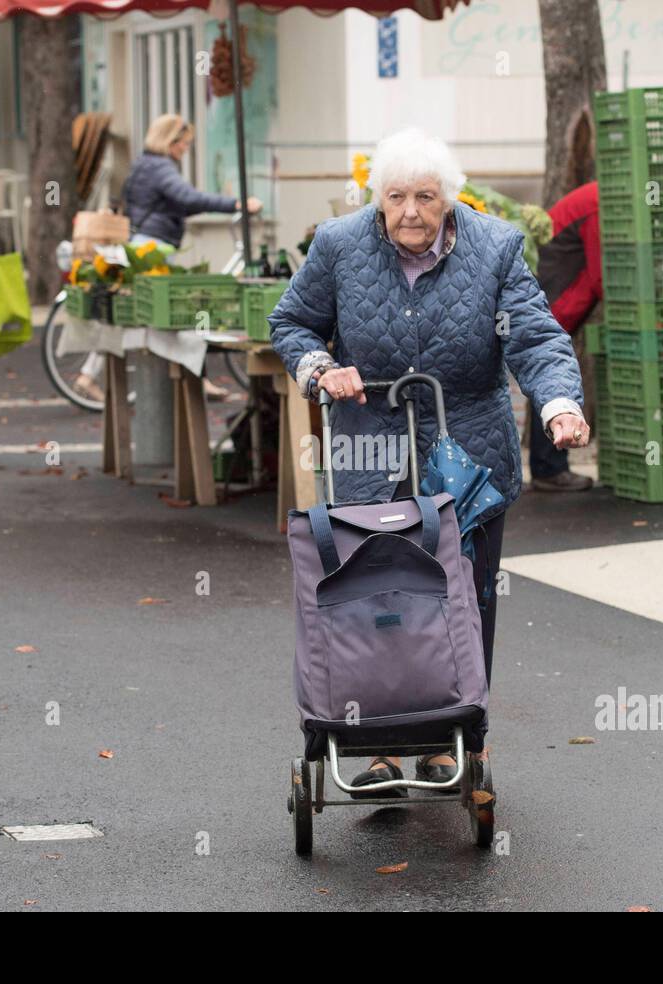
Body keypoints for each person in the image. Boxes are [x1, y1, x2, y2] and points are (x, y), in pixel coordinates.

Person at [270, 127, 590, 793]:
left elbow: (535, 334)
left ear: (450, 196)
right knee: (375, 598)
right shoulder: (338, 245)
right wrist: (321, 368)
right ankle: (374, 742)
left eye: (425, 196)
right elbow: (292, 323)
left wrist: (559, 402)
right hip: (369, 448)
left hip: (466, 449)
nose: (411, 211)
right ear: (376, 199)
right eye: (396, 197)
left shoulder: (496, 247)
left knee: (465, 597)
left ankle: (456, 738)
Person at [99, 113, 261, 403]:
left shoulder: (142, 164)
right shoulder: (161, 168)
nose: (186, 150)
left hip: (141, 243)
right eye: (184, 144)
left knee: (141, 316)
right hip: (154, 249)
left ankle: (194, 376)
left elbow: (171, 204)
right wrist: (235, 204)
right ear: (170, 141)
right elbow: (187, 198)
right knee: (179, 313)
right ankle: (194, 376)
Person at [531, 179, 602, 491]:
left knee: (544, 378)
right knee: (548, 379)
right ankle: (549, 469)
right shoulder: (599, 206)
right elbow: (602, 276)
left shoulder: (594, 198)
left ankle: (548, 467)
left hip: (557, 301)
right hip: (555, 304)